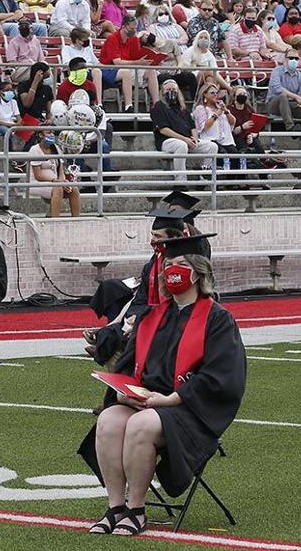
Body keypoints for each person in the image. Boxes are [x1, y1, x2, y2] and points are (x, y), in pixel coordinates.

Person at [79, 232, 246, 536]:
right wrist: (124, 392)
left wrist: (169, 399)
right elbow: (128, 365)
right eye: (168, 264)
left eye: (180, 264)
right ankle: (116, 507)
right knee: (108, 420)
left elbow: (221, 378)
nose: (171, 270)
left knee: (141, 425)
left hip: (189, 410)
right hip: (147, 401)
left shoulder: (218, 319)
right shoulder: (151, 316)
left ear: (197, 272)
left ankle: (136, 509)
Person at [152, 79, 217, 183]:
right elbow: (163, 129)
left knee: (212, 146)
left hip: (187, 140)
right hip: (167, 141)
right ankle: (180, 181)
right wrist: (184, 139)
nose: (171, 91)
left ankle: (204, 177)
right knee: (181, 145)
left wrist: (194, 139)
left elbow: (193, 127)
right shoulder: (158, 106)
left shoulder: (182, 108)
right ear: (162, 92)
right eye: (168, 89)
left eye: (174, 89)